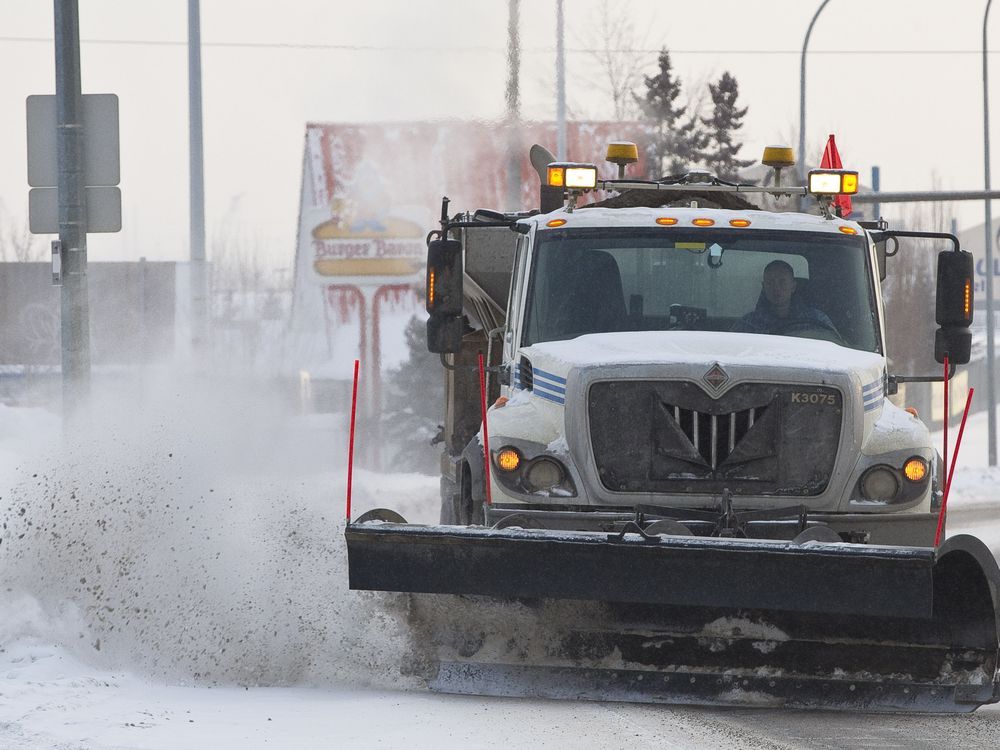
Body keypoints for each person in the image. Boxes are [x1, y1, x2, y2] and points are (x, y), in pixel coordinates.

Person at [733, 259, 840, 337]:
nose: (776, 288)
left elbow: (836, 349)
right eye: (770, 282)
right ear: (763, 286)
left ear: (793, 286)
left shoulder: (817, 320)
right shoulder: (749, 324)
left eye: (782, 282)